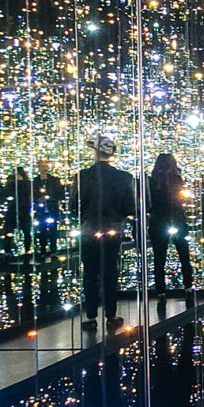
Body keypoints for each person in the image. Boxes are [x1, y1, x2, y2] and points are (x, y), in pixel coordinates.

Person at [75, 135, 137, 329]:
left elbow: (74, 205)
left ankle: (91, 317)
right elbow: (130, 207)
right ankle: (111, 316)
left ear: (95, 152)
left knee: (90, 273)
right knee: (110, 272)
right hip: (112, 229)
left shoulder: (82, 176)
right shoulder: (124, 177)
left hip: (88, 229)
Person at [146, 153, 193, 295]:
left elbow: (148, 204)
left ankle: (160, 291)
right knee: (184, 255)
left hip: (157, 222)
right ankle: (188, 287)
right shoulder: (177, 180)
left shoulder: (151, 182)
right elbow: (181, 200)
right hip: (177, 220)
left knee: (159, 258)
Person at [32, 159, 65, 254]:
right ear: (39, 168)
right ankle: (43, 250)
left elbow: (60, 194)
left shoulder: (55, 180)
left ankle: (53, 249)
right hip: (40, 210)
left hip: (52, 208)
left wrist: (49, 198)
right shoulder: (35, 181)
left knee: (53, 229)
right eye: (42, 166)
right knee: (42, 229)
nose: (44, 168)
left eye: (46, 166)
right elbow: (32, 195)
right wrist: (38, 199)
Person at [4, 167, 34, 254]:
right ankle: (7, 251)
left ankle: (27, 250)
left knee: (26, 230)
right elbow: (6, 193)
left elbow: (28, 195)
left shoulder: (27, 184)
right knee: (9, 230)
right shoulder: (11, 183)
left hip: (23, 209)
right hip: (13, 209)